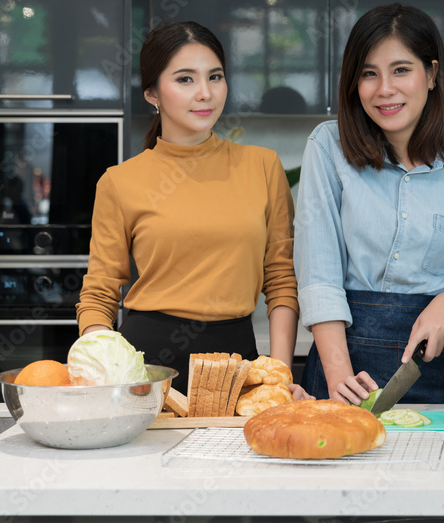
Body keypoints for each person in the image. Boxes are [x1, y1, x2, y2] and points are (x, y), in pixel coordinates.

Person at [76, 20, 309, 398]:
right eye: (185, 79)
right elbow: (99, 294)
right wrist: (104, 364)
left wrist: (280, 376)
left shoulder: (263, 166)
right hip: (146, 369)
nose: (205, 93)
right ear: (152, 92)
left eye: (214, 77)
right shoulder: (120, 182)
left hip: (240, 367)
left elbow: (281, 280)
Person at [295, 3, 444, 405]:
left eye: (401, 70)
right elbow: (318, 273)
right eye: (368, 74)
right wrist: (342, 380)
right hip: (343, 367)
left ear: (431, 75)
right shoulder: (328, 148)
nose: (384, 89)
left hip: (441, 372)